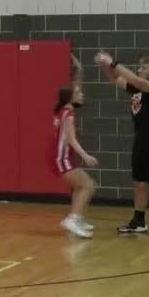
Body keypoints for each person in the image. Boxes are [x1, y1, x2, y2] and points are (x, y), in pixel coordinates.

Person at [95, 51, 149, 239]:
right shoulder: (137, 90)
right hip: (141, 141)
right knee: (140, 183)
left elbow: (132, 77)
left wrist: (113, 62)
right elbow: (116, 80)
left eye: (144, 67)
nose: (139, 70)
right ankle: (139, 222)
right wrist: (104, 66)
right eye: (139, 67)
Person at [54, 85, 98, 238]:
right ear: (70, 96)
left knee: (81, 187)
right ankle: (72, 219)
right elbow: (71, 139)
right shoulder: (69, 114)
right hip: (63, 158)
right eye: (78, 92)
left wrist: (78, 68)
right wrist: (86, 156)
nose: (82, 94)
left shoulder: (64, 110)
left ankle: (76, 218)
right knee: (88, 185)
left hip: (62, 157)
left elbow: (76, 81)